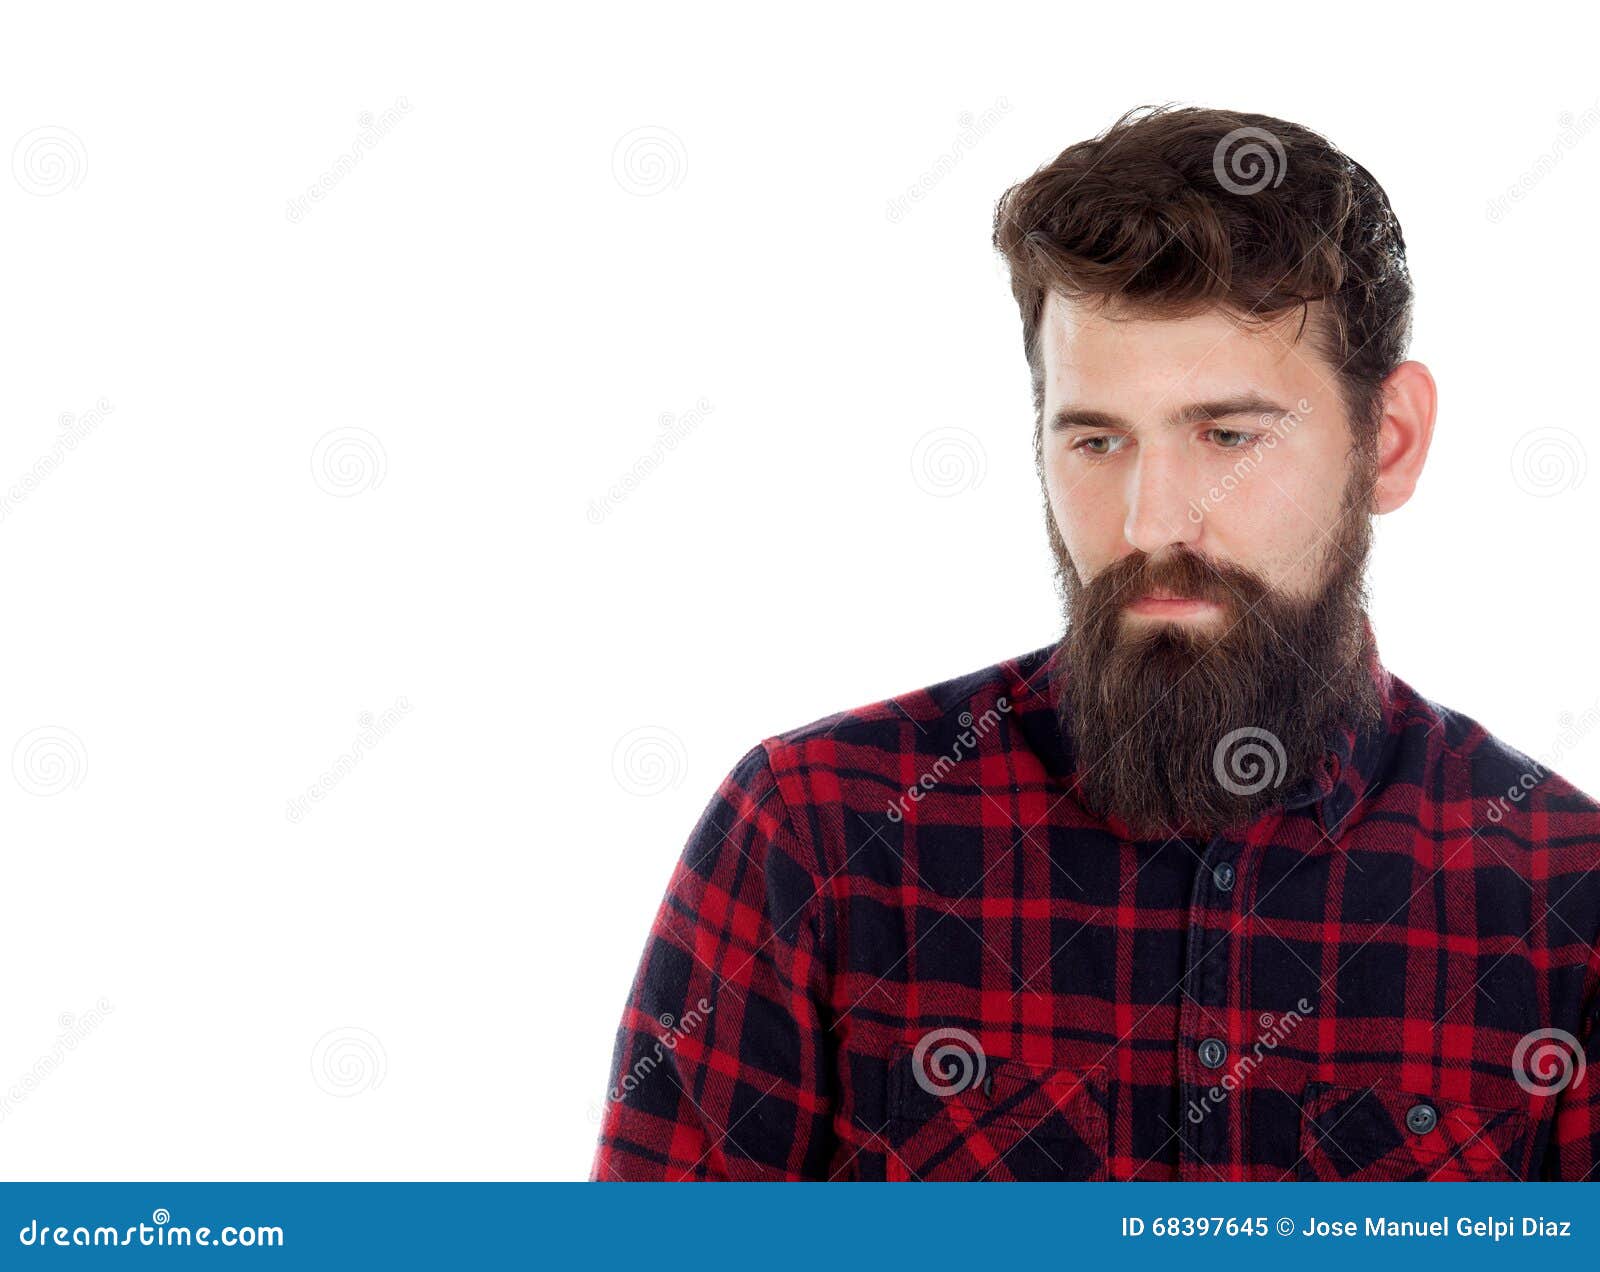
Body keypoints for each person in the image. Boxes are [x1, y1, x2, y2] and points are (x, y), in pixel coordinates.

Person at [591, 104, 1600, 1181]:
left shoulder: (1564, 900)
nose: (1150, 522)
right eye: (1096, 439)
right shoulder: (818, 839)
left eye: (1226, 435)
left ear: (1386, 445)